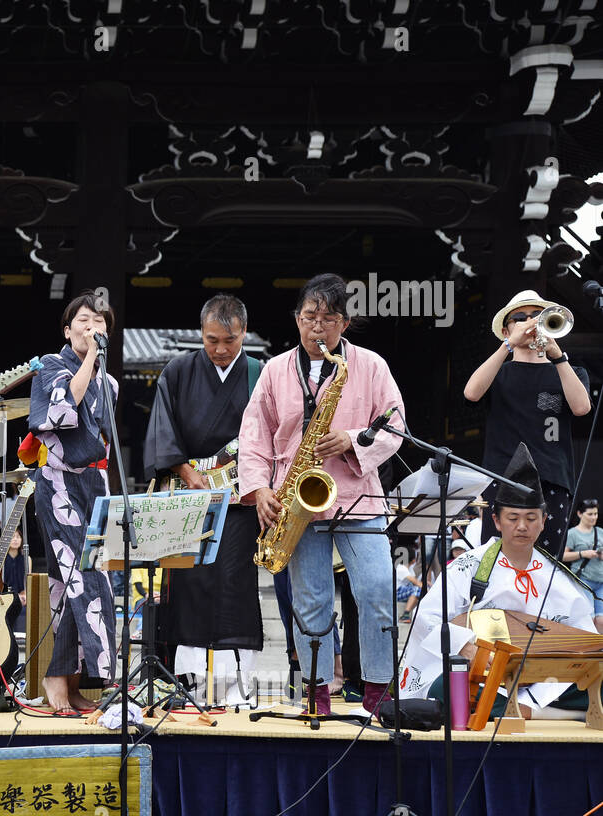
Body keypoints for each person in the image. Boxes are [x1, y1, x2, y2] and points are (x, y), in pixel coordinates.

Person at [238, 273, 404, 717]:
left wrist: (352, 439)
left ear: (344, 324)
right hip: (298, 504)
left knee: (377, 593)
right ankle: (316, 693)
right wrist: (259, 491)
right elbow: (253, 436)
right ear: (296, 319)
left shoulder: (371, 366)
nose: (318, 327)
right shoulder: (274, 370)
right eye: (310, 317)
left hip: (358, 497)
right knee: (310, 602)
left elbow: (395, 426)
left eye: (328, 318)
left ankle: (378, 691)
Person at [398, 444, 599, 719]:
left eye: (531, 518)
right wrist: (466, 647)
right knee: (447, 688)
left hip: (541, 679)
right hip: (481, 673)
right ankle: (537, 713)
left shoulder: (556, 575)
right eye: (513, 518)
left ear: (543, 522)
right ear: (496, 520)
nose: (522, 526)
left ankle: (523, 709)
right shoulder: (470, 565)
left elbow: (584, 639)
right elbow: (427, 616)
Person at [143, 293, 263, 684]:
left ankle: (234, 683)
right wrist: (182, 467)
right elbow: (163, 428)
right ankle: (188, 679)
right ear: (201, 333)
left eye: (229, 341)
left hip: (242, 498)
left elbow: (274, 432)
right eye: (212, 340)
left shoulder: (259, 373)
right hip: (188, 493)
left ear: (244, 332)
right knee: (188, 584)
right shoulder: (177, 371)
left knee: (235, 583)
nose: (221, 349)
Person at [27, 290, 119, 715]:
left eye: (99, 323)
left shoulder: (111, 382)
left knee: (80, 583)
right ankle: (54, 679)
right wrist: (87, 362)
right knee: (80, 580)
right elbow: (60, 413)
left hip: (95, 482)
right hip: (59, 483)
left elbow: (103, 436)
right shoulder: (50, 366)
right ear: (68, 330)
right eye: (84, 321)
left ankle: (68, 679)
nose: (91, 327)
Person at [463, 290, 590, 555]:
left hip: (552, 479)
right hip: (502, 477)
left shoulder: (569, 371)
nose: (530, 321)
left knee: (546, 563)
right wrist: (506, 347)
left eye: (537, 316)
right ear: (506, 330)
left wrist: (557, 355)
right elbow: (471, 393)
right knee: (497, 560)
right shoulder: (498, 371)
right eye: (520, 317)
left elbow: (582, 408)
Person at [563, 498, 603, 619]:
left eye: (595, 514)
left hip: (601, 581)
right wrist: (583, 553)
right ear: (580, 514)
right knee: (588, 618)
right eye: (590, 514)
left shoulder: (600, 531)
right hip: (583, 580)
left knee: (601, 620)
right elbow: (562, 556)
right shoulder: (572, 533)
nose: (593, 517)